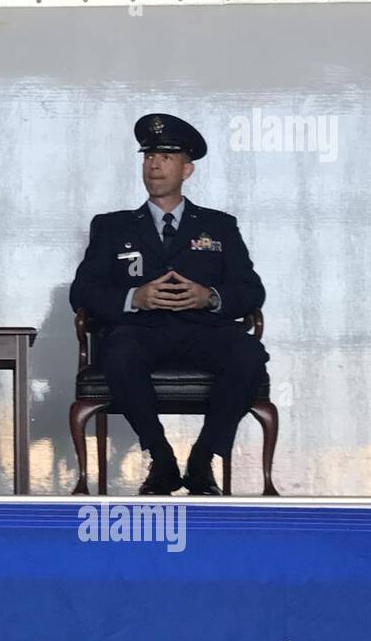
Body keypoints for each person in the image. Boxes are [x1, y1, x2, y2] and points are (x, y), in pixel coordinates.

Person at [69, 114, 268, 495]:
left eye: (166, 156)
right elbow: (83, 293)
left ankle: (203, 458)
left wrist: (210, 297)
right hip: (140, 331)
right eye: (148, 156)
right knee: (119, 352)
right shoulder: (113, 227)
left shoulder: (219, 226)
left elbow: (250, 290)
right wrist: (134, 297)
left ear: (187, 169)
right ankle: (161, 458)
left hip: (204, 330)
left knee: (248, 354)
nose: (154, 164)